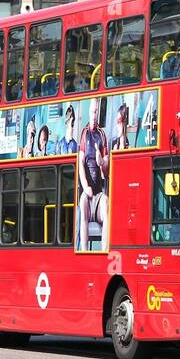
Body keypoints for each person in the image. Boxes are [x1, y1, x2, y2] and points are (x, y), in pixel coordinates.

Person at [76, 97, 110, 251]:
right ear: (89, 112)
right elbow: (80, 163)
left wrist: (101, 161)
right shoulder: (84, 134)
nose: (94, 115)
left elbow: (106, 169)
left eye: (96, 111)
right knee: (82, 202)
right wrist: (85, 186)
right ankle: (83, 249)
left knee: (107, 203)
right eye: (92, 111)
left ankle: (104, 250)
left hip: (99, 193)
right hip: (88, 192)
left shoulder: (102, 135)